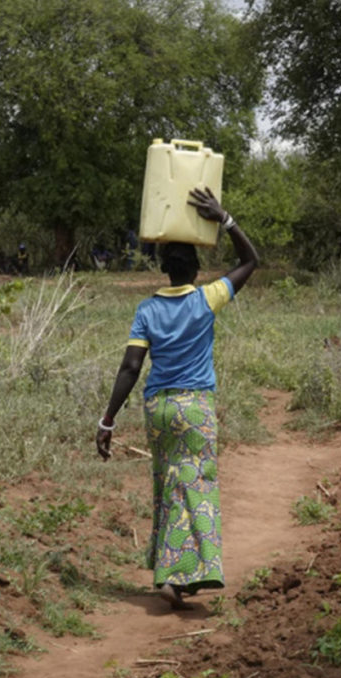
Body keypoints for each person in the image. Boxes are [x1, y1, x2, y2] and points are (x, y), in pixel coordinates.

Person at [96, 187, 258, 611]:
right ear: (197, 268)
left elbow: (131, 368)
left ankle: (171, 573)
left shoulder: (147, 310)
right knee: (196, 484)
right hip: (194, 407)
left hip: (158, 409)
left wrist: (108, 419)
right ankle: (178, 576)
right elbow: (251, 261)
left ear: (164, 269)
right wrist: (225, 218)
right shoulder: (207, 298)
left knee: (169, 484)